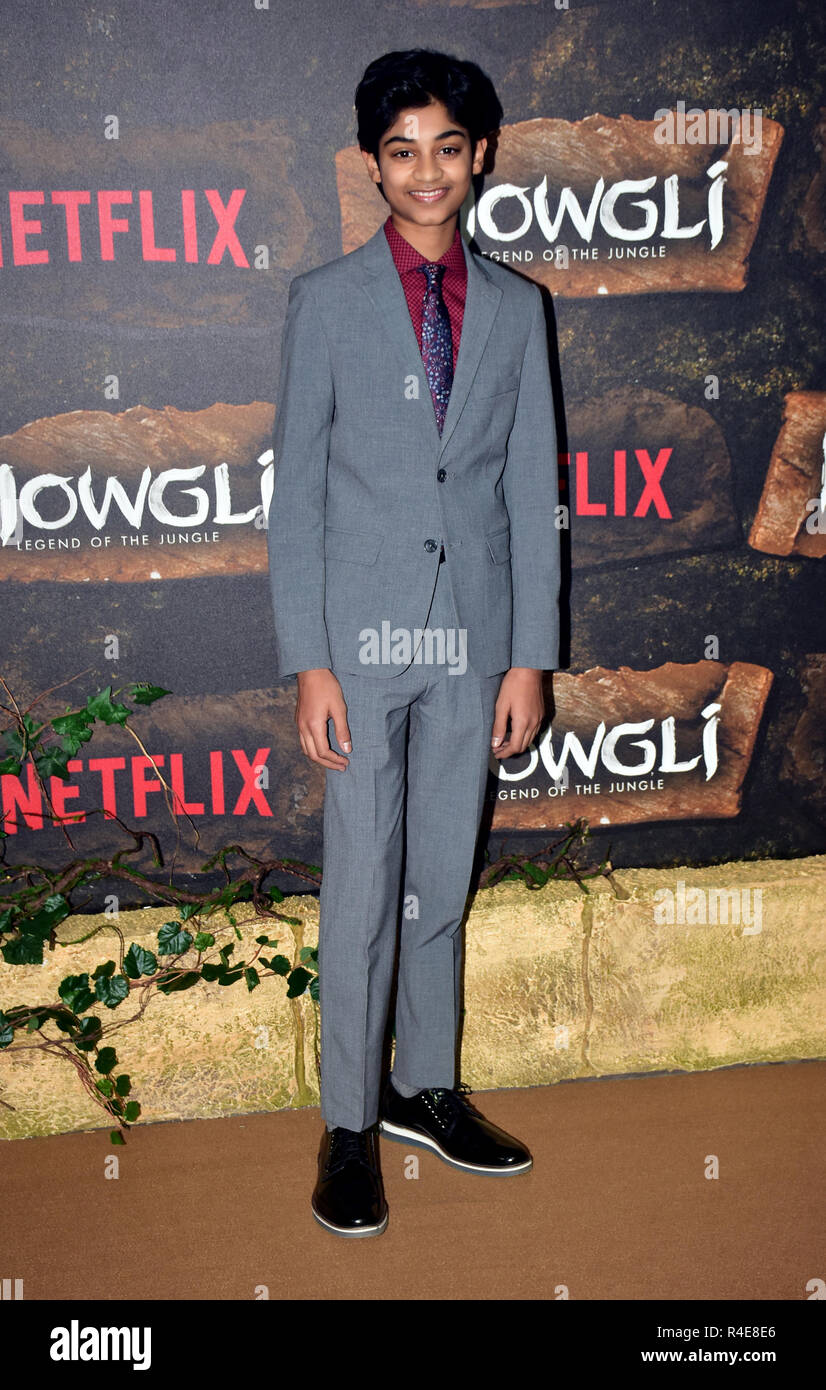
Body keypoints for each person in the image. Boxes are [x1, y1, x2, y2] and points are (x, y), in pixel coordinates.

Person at [267, 47, 561, 1237]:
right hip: (359, 642)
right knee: (363, 884)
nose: (425, 172)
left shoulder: (516, 308)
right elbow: (295, 503)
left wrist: (529, 655)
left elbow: (530, 490)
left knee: (440, 875)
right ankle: (348, 1121)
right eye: (401, 150)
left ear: (478, 154)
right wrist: (311, 660)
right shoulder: (325, 301)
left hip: (473, 648)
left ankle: (426, 1089)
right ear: (371, 162)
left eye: (448, 146)